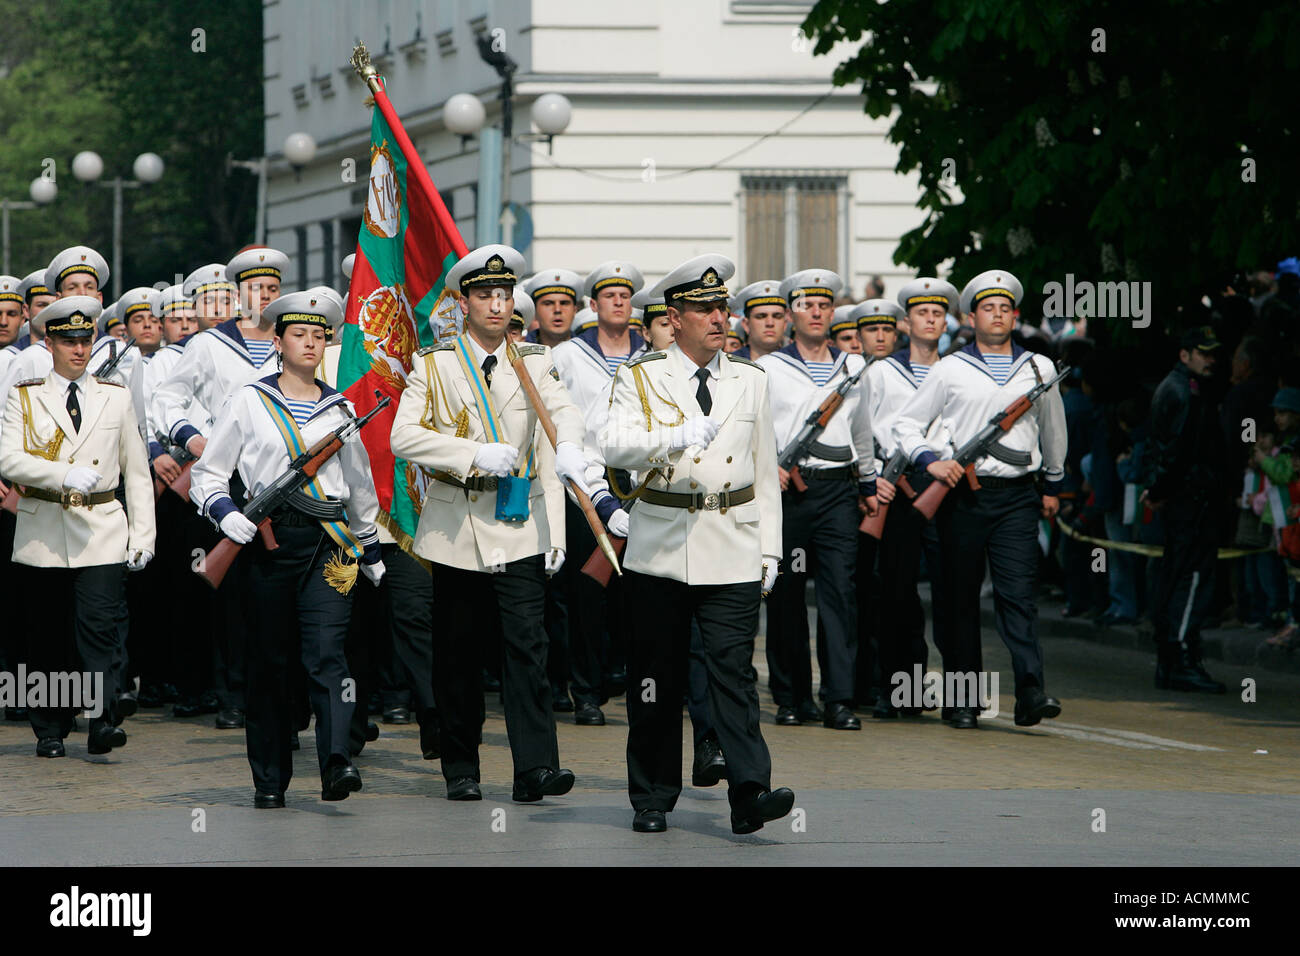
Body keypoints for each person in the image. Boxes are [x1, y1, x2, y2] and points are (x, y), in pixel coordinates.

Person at [599, 252, 793, 834]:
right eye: (705, 309)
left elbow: (765, 472)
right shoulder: (640, 376)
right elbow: (612, 446)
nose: (718, 318)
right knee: (656, 677)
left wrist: (771, 548)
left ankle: (749, 792)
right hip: (662, 544)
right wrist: (673, 436)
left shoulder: (752, 379)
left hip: (732, 540)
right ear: (675, 317)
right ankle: (653, 795)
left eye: (722, 308)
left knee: (733, 673)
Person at [390, 243, 586, 803]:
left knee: (529, 645)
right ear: (464, 302)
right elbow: (404, 436)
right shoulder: (436, 364)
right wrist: (470, 454)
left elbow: (560, 420)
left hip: (519, 521)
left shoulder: (536, 361)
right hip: (457, 525)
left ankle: (536, 769)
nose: (496, 305)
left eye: (504, 295)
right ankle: (460, 764)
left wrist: (570, 450)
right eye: (484, 295)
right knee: (458, 652)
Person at [190, 289, 384, 806]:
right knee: (272, 661)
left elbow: (359, 484)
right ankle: (270, 779)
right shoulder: (250, 400)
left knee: (328, 656)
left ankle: (337, 762)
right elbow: (209, 473)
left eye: (319, 336)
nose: (310, 343)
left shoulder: (340, 408)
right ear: (277, 341)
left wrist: (369, 545)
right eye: (299, 334)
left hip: (331, 546)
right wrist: (226, 515)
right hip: (270, 541)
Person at [894, 269, 1066, 729]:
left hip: (1016, 496)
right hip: (963, 497)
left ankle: (1030, 690)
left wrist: (1053, 483)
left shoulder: (1039, 368)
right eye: (988, 308)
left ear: (1016, 316)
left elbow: (1054, 431)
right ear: (970, 317)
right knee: (958, 599)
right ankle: (962, 699)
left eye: (1005, 308)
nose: (997, 315)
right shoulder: (950, 368)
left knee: (1018, 596)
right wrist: (930, 459)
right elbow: (906, 425)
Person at [0, 296, 155, 757]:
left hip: (102, 525)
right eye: (68, 341)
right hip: (44, 526)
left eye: (85, 340)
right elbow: (8, 457)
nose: (79, 349)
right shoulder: (24, 395)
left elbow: (138, 471)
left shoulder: (116, 396)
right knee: (46, 633)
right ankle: (49, 726)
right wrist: (61, 474)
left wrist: (144, 534)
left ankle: (102, 720)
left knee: (99, 629)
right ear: (49, 343)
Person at [152, 250, 289, 730]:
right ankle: (230, 693)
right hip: (223, 480)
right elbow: (167, 399)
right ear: (238, 295)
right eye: (255, 289)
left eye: (273, 289)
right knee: (226, 593)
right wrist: (192, 438)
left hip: (281, 480)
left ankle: (276, 695)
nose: (265, 297)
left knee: (276, 592)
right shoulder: (208, 344)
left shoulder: (291, 340)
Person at [758, 268, 878, 731]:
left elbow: (862, 431)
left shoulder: (853, 366)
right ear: (792, 313)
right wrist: (770, 469)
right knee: (785, 594)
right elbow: (756, 431)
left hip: (837, 491)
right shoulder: (769, 367)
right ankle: (791, 696)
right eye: (806, 305)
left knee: (839, 594)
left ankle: (838, 699)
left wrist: (868, 484)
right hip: (789, 491)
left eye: (824, 305)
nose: (816, 312)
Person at [549, 260, 647, 725]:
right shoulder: (569, 355)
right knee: (588, 589)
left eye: (625, 296)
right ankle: (585, 689)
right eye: (609, 296)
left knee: (638, 590)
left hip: (641, 481)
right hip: (587, 481)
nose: (619, 302)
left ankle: (625, 678)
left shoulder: (651, 354)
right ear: (593, 305)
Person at [861, 280, 957, 716]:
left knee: (952, 593)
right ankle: (896, 687)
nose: (931, 321)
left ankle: (957, 695)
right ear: (906, 323)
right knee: (896, 594)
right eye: (922, 314)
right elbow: (868, 430)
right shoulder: (882, 371)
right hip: (898, 490)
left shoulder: (958, 371)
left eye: (938, 314)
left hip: (948, 489)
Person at [1140, 326, 1229, 693]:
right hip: (1191, 501)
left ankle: (1174, 658)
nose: (1210, 360)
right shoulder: (1182, 392)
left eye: (1212, 353)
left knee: (1178, 576)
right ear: (1184, 354)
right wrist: (1161, 490)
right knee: (1190, 579)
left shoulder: (1182, 388)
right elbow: (1175, 453)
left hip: (1186, 499)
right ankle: (1179, 659)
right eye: (1202, 352)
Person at [523, 268, 581, 348]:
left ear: (575, 310)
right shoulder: (518, 352)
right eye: (548, 304)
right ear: (535, 312)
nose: (557, 310)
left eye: (564, 303)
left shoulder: (590, 352)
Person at [731, 280, 786, 360]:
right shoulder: (728, 366)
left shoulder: (799, 364)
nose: (770, 323)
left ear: (785, 324)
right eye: (761, 316)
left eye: (777, 316)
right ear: (746, 325)